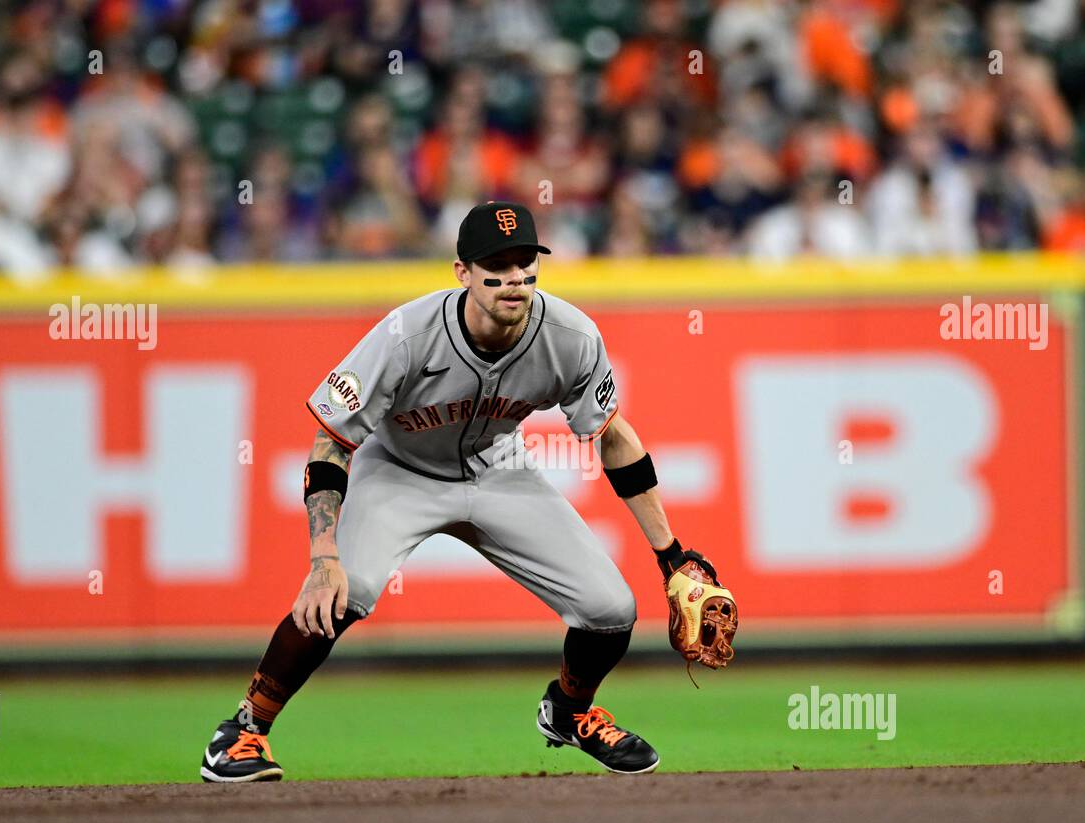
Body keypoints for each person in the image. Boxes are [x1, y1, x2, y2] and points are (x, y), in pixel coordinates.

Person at [200, 202, 720, 781]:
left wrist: (670, 553)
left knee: (611, 610)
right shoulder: (406, 335)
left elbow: (614, 437)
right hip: (397, 470)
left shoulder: (570, 336)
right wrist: (323, 558)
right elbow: (331, 442)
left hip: (498, 467)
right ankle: (242, 731)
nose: (513, 279)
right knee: (344, 593)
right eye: (496, 266)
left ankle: (569, 713)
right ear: (462, 273)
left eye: (525, 263)